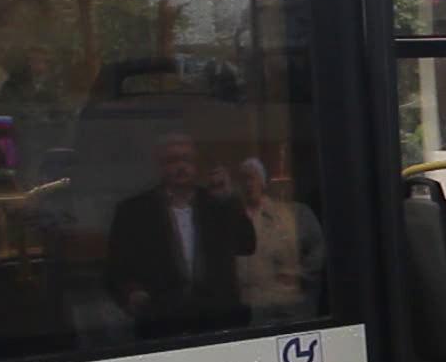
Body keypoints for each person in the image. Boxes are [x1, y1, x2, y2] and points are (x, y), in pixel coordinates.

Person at [105, 132, 256, 339]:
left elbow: (247, 245)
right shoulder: (134, 211)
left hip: (218, 325)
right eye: (172, 160)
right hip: (160, 326)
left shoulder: (216, 205)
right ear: (159, 166)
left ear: (196, 164)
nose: (180, 166)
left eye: (187, 159)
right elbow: (115, 268)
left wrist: (230, 200)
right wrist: (132, 294)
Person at [234, 157, 326, 324]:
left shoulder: (293, 213)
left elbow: (318, 250)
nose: (247, 184)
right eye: (243, 179)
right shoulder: (233, 219)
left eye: (251, 177)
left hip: (289, 313)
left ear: (263, 182)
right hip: (249, 316)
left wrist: (299, 275)